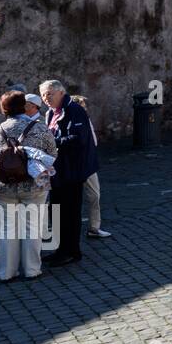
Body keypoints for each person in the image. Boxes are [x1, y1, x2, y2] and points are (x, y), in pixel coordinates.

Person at [0, 92, 57, 282]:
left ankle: (6, 272)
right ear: (24, 106)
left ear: (3, 109)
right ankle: (32, 269)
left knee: (7, 230)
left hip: (4, 186)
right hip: (33, 186)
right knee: (32, 228)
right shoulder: (40, 128)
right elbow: (52, 153)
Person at [39, 79, 98, 267]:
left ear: (61, 93)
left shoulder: (74, 110)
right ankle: (61, 249)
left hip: (72, 171)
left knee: (70, 213)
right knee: (56, 211)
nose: (46, 98)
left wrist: (52, 143)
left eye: (49, 94)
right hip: (57, 171)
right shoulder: (50, 113)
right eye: (43, 95)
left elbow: (78, 139)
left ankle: (71, 251)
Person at [72, 95, 110, 239]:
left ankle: (94, 227)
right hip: (79, 164)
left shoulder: (85, 120)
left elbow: (93, 142)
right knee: (89, 196)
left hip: (87, 163)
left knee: (94, 195)